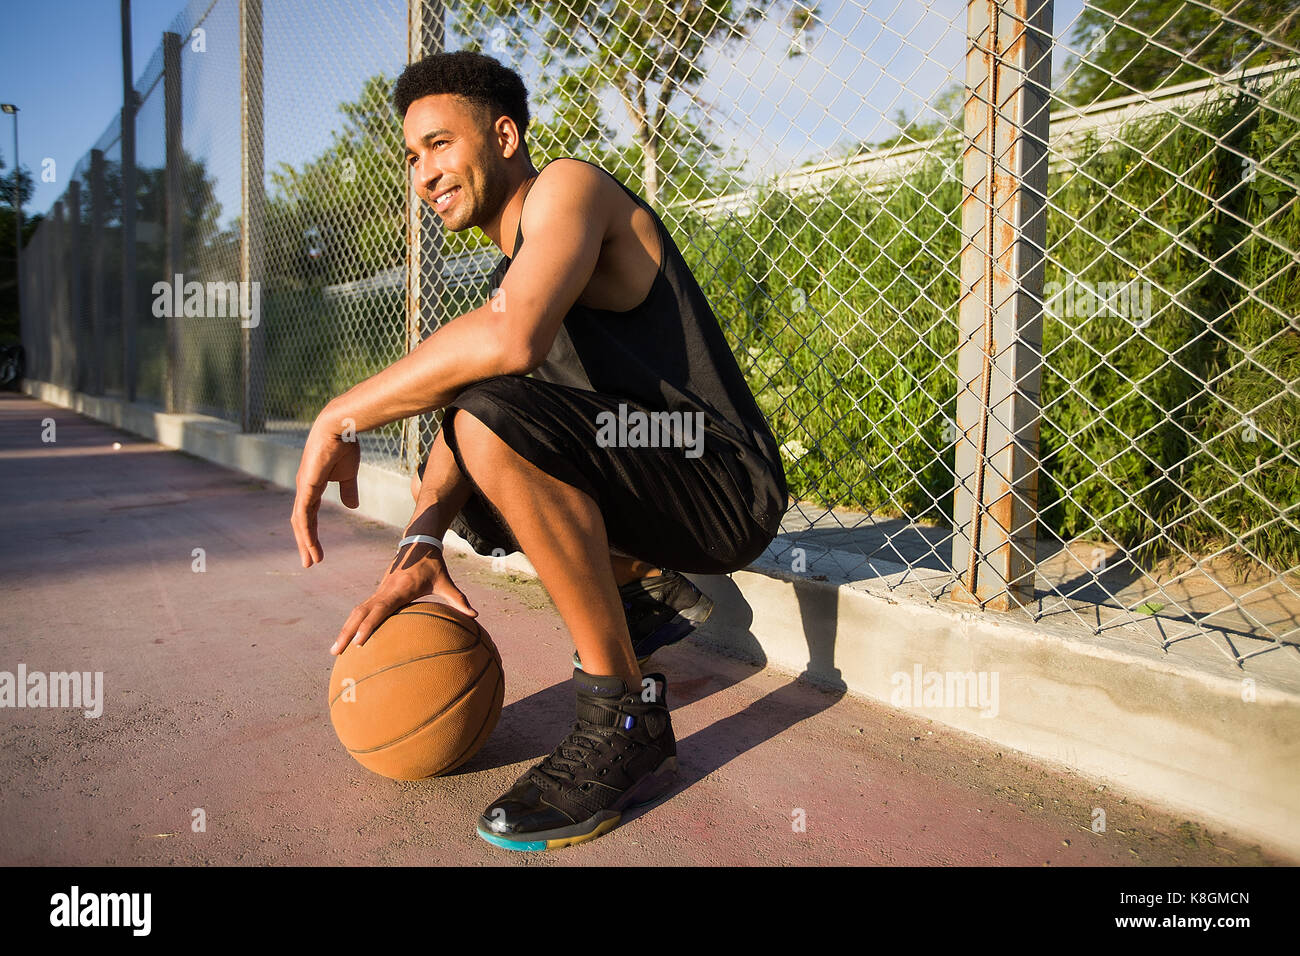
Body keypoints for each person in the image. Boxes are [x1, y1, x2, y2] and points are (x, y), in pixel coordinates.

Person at [290, 51, 787, 851]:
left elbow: (510, 341)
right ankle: (642, 589)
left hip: (723, 480)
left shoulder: (570, 191)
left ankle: (622, 712)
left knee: (489, 409)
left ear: (505, 135)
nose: (424, 172)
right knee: (469, 424)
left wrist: (337, 416)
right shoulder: (515, 267)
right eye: (412, 157)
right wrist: (420, 539)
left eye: (441, 144)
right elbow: (470, 392)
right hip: (657, 475)